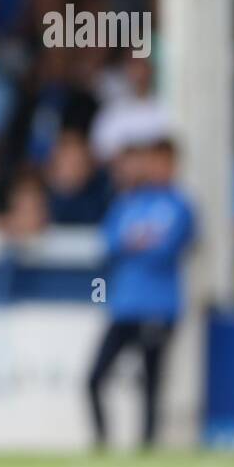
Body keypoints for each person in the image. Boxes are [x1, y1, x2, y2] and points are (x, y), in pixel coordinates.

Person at [87, 138, 195, 449]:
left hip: (159, 306)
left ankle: (148, 445)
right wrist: (139, 244)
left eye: (164, 162)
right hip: (124, 305)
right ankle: (102, 440)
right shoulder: (128, 202)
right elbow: (109, 244)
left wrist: (136, 244)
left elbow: (167, 248)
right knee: (94, 378)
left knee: (151, 381)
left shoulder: (180, 205)